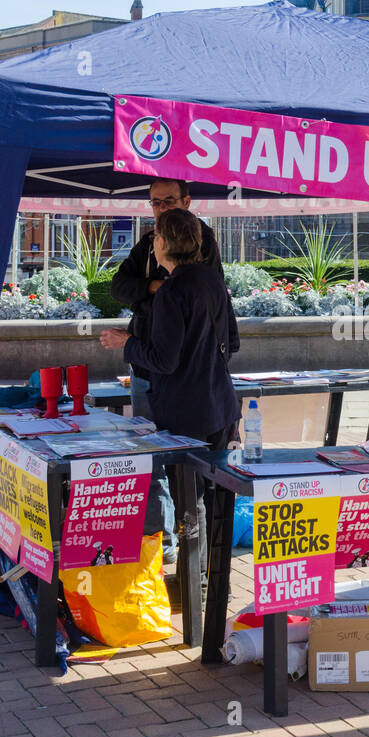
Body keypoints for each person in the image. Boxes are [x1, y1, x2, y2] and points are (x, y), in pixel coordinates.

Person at [100, 210, 241, 572]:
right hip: (219, 405)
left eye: (155, 239)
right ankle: (208, 582)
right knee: (208, 499)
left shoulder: (173, 291)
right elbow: (231, 341)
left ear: (162, 243)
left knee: (189, 501)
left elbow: (163, 360)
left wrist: (127, 341)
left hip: (185, 412)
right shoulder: (213, 281)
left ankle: (196, 586)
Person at [110, 178, 232, 422]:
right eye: (156, 203)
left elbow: (185, 307)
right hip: (156, 372)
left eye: (169, 201)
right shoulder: (147, 244)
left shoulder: (200, 250)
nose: (163, 208)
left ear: (186, 202)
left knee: (171, 450)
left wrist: (130, 337)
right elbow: (117, 287)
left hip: (184, 383)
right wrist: (153, 287)